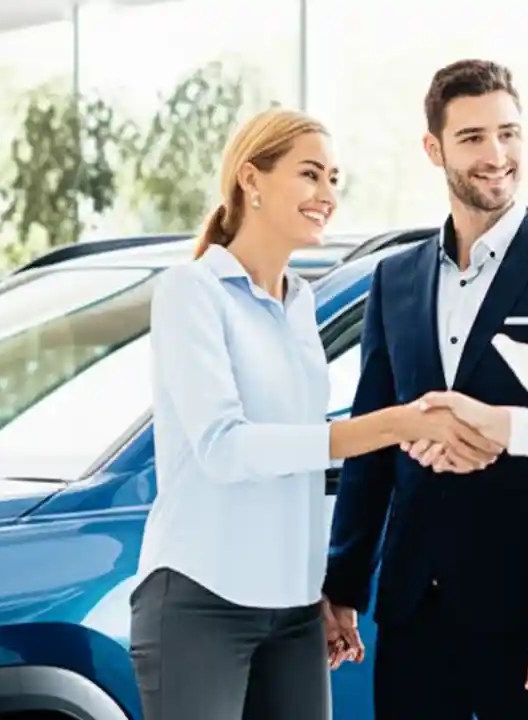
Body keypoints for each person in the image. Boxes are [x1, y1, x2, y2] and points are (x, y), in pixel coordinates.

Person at [128, 107, 499, 720]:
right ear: (251, 179)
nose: (327, 195)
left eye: (334, 179)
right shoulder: (191, 292)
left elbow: (297, 462)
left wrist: (324, 589)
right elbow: (225, 447)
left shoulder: (298, 304)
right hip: (202, 603)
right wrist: (394, 424)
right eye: (309, 175)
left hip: (296, 611)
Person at [321, 60, 528, 720]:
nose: (496, 156)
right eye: (471, 138)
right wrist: (343, 584)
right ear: (434, 148)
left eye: (509, 134)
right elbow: (373, 438)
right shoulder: (395, 281)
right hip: (413, 614)